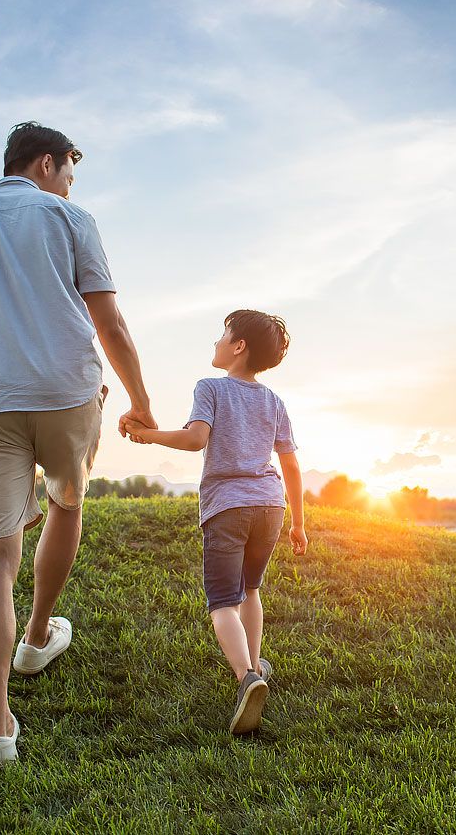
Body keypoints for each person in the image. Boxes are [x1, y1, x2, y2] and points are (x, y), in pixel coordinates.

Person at [0, 122, 157, 764]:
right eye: (69, 175)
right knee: (66, 503)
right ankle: (38, 635)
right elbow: (109, 321)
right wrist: (140, 400)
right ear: (47, 164)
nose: (69, 188)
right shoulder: (71, 220)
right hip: (66, 392)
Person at [125, 310, 307, 734]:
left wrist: (146, 435)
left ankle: (246, 678)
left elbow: (195, 440)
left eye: (223, 335)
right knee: (251, 589)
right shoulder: (274, 401)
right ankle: (255, 666)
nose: (216, 342)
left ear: (238, 346)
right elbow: (291, 465)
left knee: (223, 601)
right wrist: (298, 523)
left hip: (227, 506)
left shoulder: (210, 387)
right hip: (271, 506)